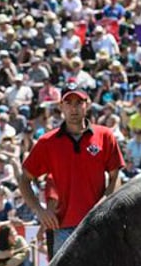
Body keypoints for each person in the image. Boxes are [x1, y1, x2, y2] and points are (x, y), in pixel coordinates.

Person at [19, 85, 123, 256]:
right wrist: (40, 211)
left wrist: (103, 204)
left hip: (98, 224)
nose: (74, 108)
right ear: (61, 107)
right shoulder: (47, 142)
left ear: (87, 105)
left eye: (79, 102)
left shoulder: (105, 136)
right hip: (62, 227)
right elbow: (24, 180)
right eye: (68, 103)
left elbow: (115, 177)